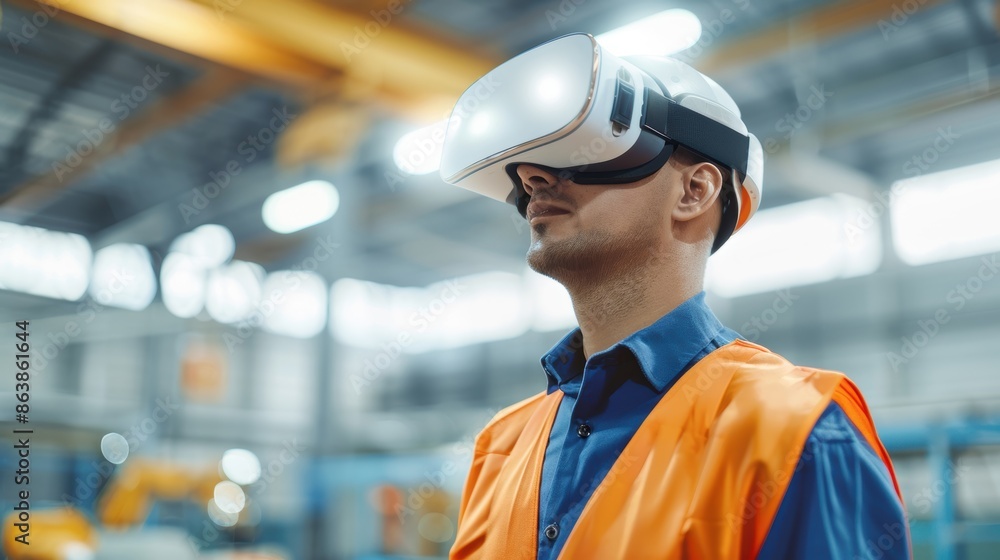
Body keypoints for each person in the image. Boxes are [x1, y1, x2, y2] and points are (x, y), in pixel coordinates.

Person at [438, 33, 910, 559]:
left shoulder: (793, 430)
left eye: (587, 147)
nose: (530, 178)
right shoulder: (500, 447)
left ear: (695, 191)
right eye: (527, 165)